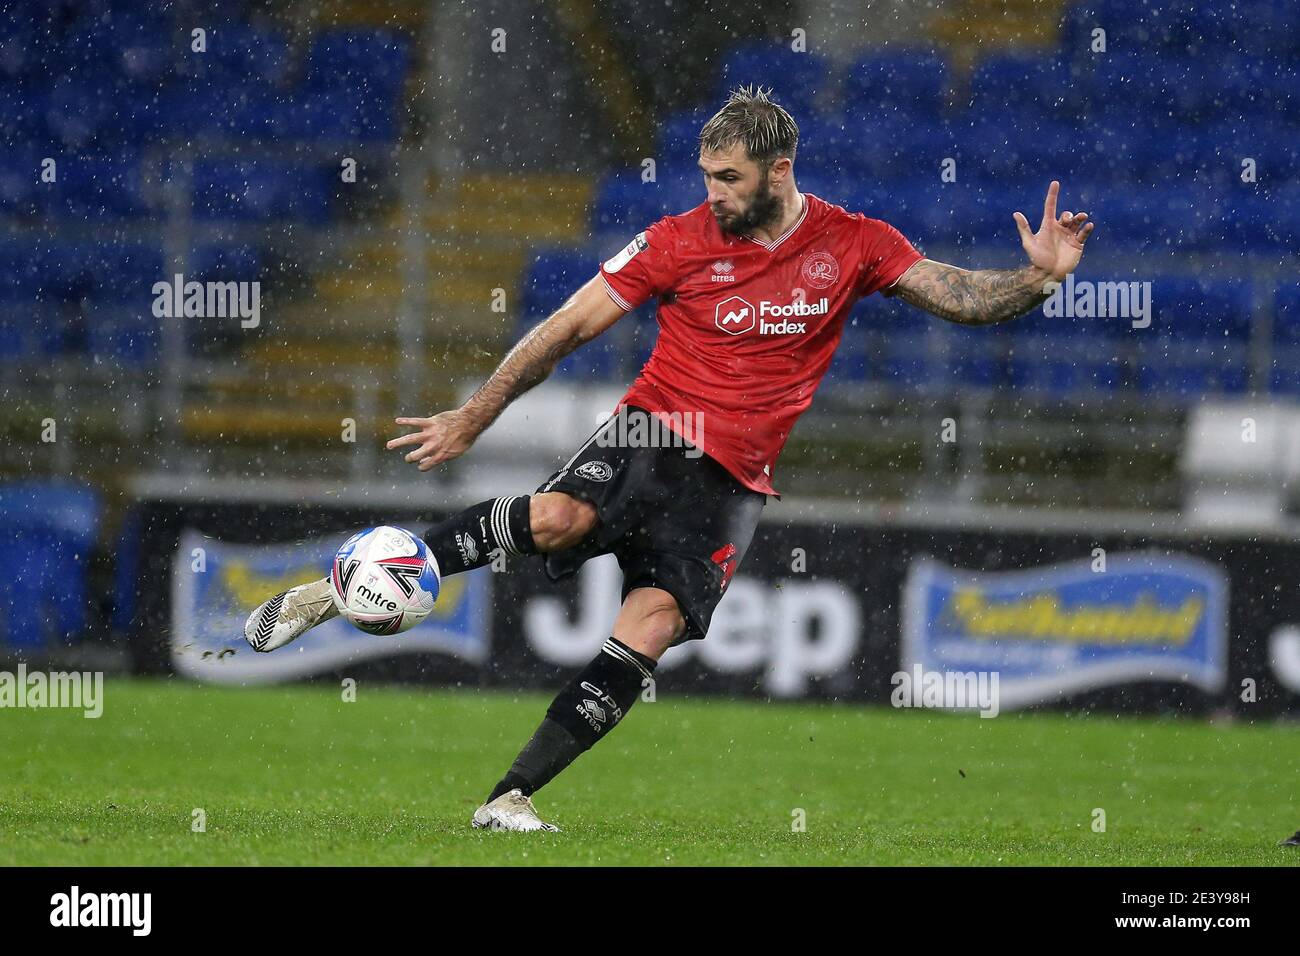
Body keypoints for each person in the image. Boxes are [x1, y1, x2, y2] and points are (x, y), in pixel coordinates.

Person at [244, 85, 1094, 831]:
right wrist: (475, 414)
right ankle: (343, 588)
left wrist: (1040, 279)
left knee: (649, 628)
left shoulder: (854, 243)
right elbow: (568, 327)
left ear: (780, 169)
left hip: (734, 485)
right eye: (706, 177)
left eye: (729, 179)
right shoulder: (677, 240)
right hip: (654, 432)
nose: (713, 194)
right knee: (556, 515)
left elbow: (963, 297)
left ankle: (509, 798)